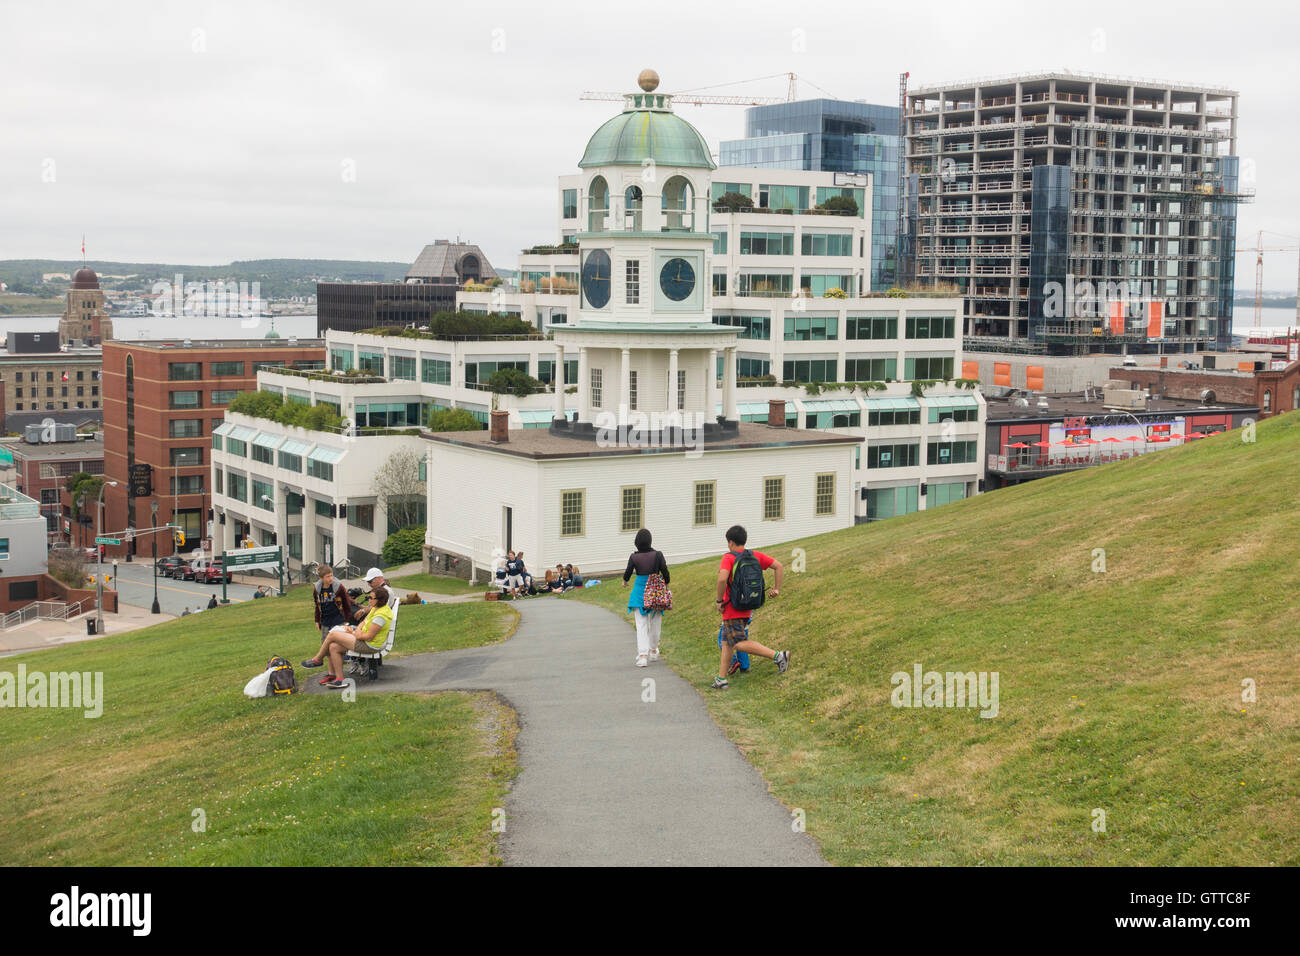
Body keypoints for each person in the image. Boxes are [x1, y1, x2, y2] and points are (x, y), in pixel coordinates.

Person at [711, 525, 789, 690]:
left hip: (732, 607)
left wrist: (719, 600)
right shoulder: (755, 555)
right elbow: (779, 566)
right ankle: (721, 679)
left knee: (738, 643)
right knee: (727, 643)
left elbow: (722, 579)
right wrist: (776, 588)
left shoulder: (729, 557)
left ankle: (778, 656)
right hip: (748, 605)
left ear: (731, 542)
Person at [302, 585, 394, 688]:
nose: (369, 600)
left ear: (379, 600)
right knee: (333, 646)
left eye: (371, 598)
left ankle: (318, 659)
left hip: (370, 646)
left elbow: (369, 637)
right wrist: (356, 630)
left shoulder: (381, 616)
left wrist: (355, 633)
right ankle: (339, 679)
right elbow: (363, 622)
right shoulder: (376, 608)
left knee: (332, 634)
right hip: (363, 639)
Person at [623, 528, 669, 668]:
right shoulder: (658, 555)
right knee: (655, 622)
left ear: (636, 542)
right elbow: (665, 572)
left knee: (641, 625)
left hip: (639, 592)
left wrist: (625, 582)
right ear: (650, 541)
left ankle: (642, 656)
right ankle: (653, 650)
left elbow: (628, 573)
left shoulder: (634, 557)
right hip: (655, 591)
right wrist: (665, 584)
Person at [312, 566, 356, 672]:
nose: (331, 578)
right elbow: (317, 606)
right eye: (327, 576)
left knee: (337, 645)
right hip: (326, 620)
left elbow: (346, 604)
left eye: (331, 575)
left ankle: (340, 669)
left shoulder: (338, 587)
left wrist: (346, 620)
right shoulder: (317, 590)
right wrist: (317, 621)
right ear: (321, 578)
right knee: (326, 647)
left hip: (338, 620)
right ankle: (331, 673)